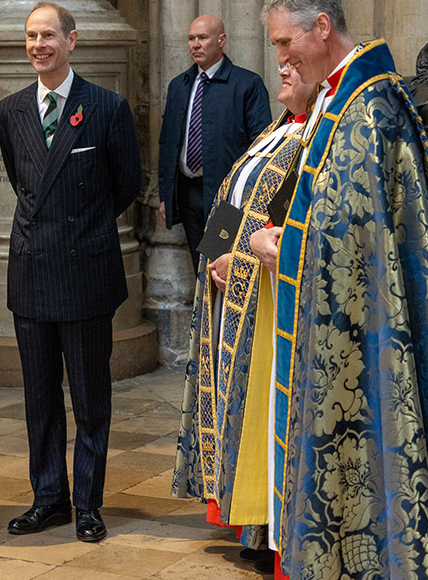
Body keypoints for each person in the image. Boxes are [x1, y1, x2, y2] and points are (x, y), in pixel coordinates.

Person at [249, 0, 428, 578]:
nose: (280, 58)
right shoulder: (336, 102)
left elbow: (357, 236)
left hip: (363, 335)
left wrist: (285, 249)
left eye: (285, 43)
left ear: (321, 29)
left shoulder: (369, 107)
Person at [0, 2, 141, 543]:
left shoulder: (105, 107)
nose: (39, 45)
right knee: (39, 397)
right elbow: (23, 182)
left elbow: (126, 184)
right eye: (31, 36)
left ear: (71, 40)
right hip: (32, 270)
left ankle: (89, 504)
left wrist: (86, 231)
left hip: (85, 271)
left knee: (89, 397)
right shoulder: (9, 111)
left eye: (49, 35)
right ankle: (48, 498)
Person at [172, 62, 316, 575]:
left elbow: (291, 228)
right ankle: (242, 517)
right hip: (227, 289)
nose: (283, 69)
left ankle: (262, 526)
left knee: (257, 409)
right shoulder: (278, 130)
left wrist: (244, 261)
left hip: (263, 295)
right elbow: (234, 195)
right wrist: (212, 254)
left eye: (293, 63)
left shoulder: (313, 139)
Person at [158, 14, 271, 269]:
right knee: (198, 263)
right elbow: (167, 142)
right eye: (190, 38)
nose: (195, 44)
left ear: (221, 40)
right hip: (188, 193)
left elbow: (261, 143)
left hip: (227, 196)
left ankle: (222, 310)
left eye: (202, 38)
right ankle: (202, 310)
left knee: (220, 264)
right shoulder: (180, 85)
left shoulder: (246, 84)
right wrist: (166, 194)